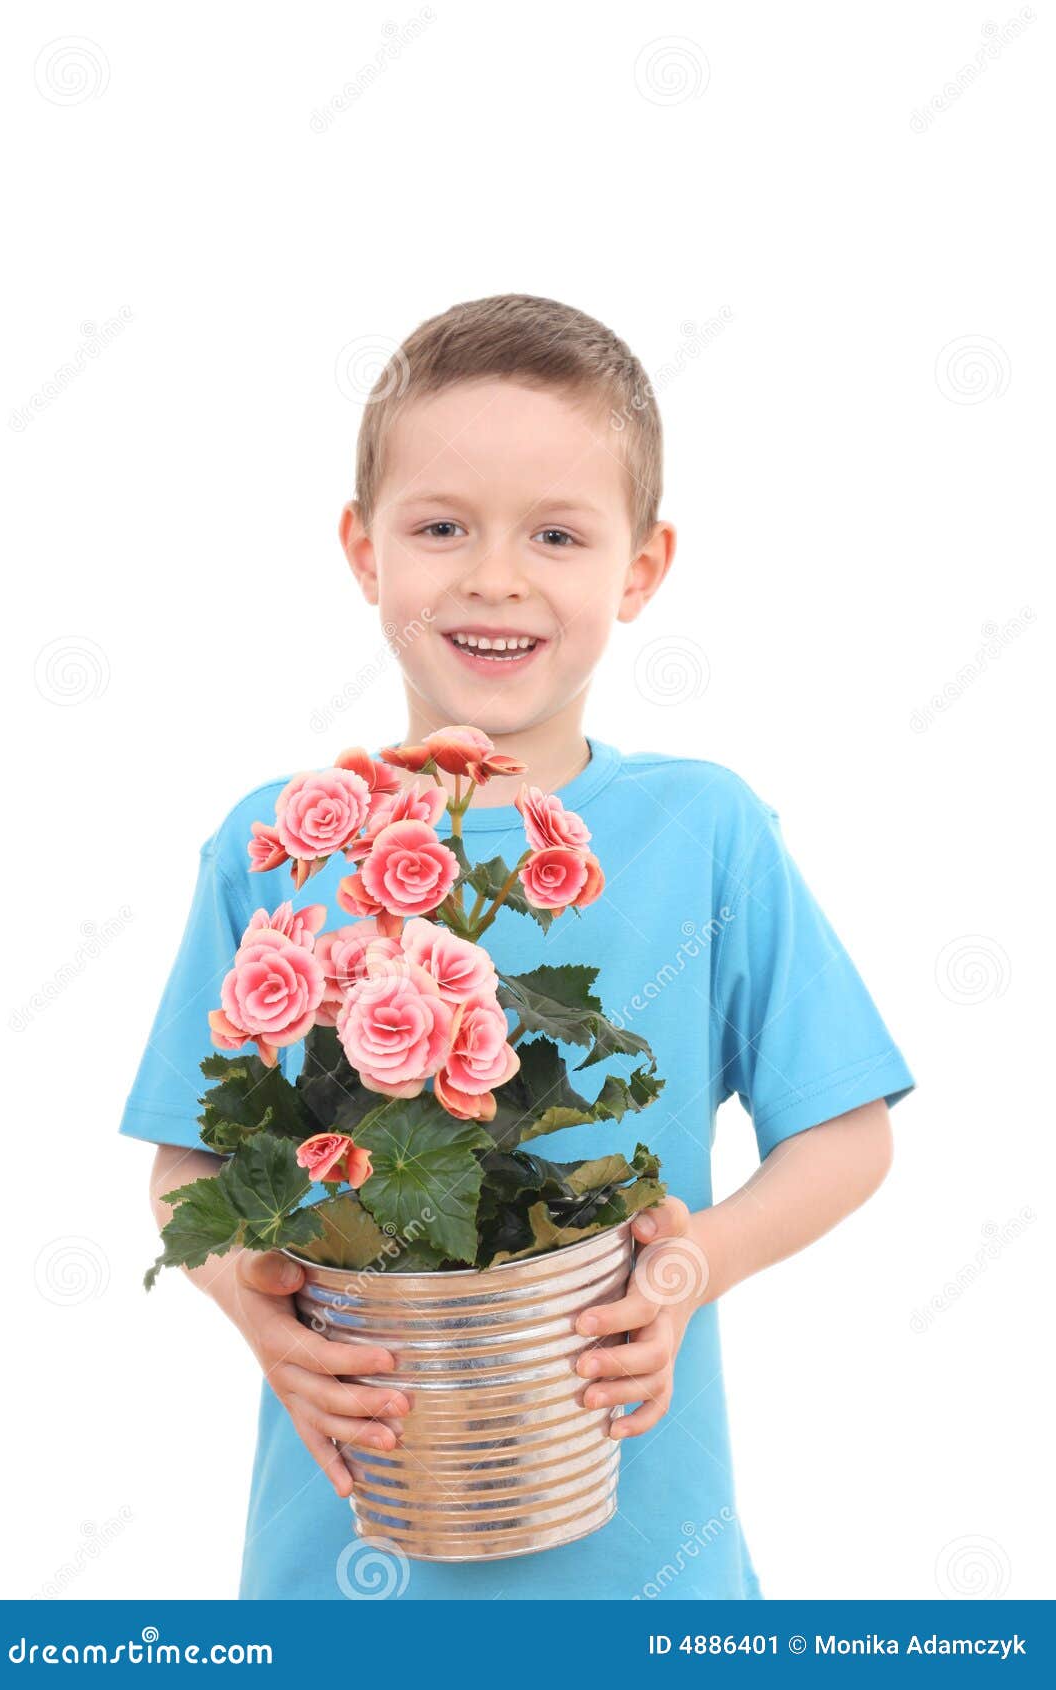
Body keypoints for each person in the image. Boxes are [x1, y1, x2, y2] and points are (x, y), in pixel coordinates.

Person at [119, 293, 915, 1600]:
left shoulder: (703, 828)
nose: (495, 576)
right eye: (442, 527)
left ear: (642, 567)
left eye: (556, 533)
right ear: (364, 550)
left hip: (644, 1563)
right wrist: (243, 1292)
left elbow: (849, 1130)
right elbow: (186, 1160)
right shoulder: (276, 844)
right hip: (343, 1555)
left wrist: (687, 1264)